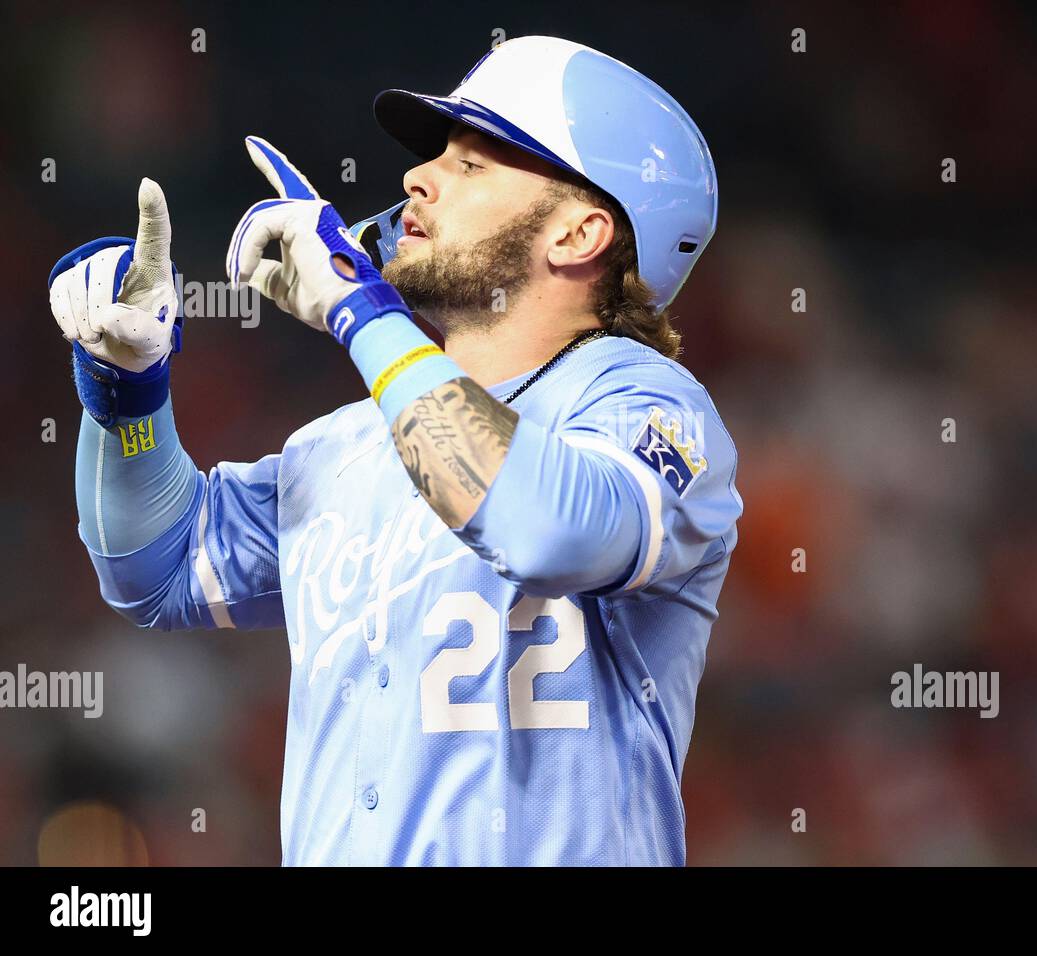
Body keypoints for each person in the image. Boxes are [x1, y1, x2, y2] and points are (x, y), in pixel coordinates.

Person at [47, 36, 741, 865]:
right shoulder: (346, 442)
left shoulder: (646, 405)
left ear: (579, 233)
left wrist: (362, 312)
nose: (418, 178)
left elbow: (546, 531)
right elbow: (154, 570)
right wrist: (128, 387)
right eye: (436, 155)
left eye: (476, 163)